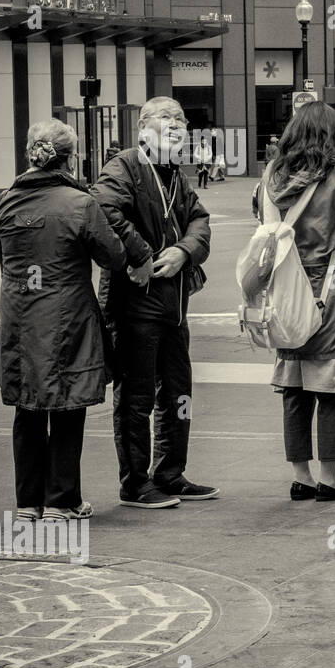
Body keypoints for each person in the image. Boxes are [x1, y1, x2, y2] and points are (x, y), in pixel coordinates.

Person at [0, 120, 127, 522]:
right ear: (70, 157)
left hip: (19, 316)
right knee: (68, 404)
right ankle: (61, 500)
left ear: (30, 153)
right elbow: (112, 256)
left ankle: (28, 502)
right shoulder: (80, 203)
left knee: (27, 406)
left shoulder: (6, 201)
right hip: (68, 316)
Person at [92, 96, 217, 509]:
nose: (176, 123)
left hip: (174, 304)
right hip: (135, 304)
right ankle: (134, 483)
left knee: (178, 393)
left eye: (181, 117)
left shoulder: (175, 174)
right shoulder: (124, 166)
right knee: (136, 396)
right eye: (166, 117)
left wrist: (184, 251)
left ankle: (170, 473)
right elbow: (104, 211)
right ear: (143, 127)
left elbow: (200, 220)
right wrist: (142, 255)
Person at [260, 103, 335, 502]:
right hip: (332, 289)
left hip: (285, 289)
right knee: (331, 385)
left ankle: (301, 476)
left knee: (294, 386)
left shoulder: (271, 176)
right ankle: (330, 477)